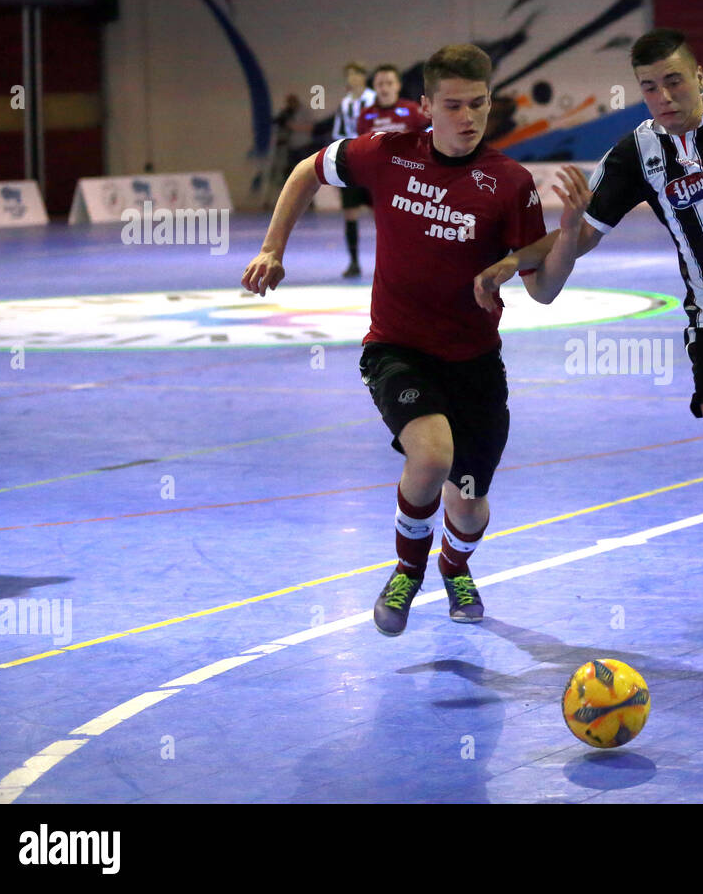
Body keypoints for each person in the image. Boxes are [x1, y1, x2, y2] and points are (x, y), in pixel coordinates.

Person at [474, 28, 703, 670]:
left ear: (698, 74)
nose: (664, 97)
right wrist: (519, 257)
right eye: (649, 87)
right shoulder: (637, 156)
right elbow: (573, 251)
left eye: (673, 81)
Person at [242, 44, 585, 637]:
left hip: (475, 362)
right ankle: (407, 571)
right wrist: (274, 246)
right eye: (453, 105)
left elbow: (545, 289)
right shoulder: (386, 155)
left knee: (469, 500)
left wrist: (571, 231)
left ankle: (456, 566)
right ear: (425, 106)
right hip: (397, 349)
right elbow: (306, 171)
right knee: (431, 455)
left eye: (478, 104)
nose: (468, 117)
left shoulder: (509, 183)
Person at [332, 61, 376, 277]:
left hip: (374, 166)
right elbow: (337, 134)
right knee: (350, 214)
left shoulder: (374, 100)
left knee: (382, 215)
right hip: (351, 164)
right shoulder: (345, 104)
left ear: (363, 77)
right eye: (347, 75)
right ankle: (354, 262)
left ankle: (390, 261)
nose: (351, 79)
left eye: (354, 75)